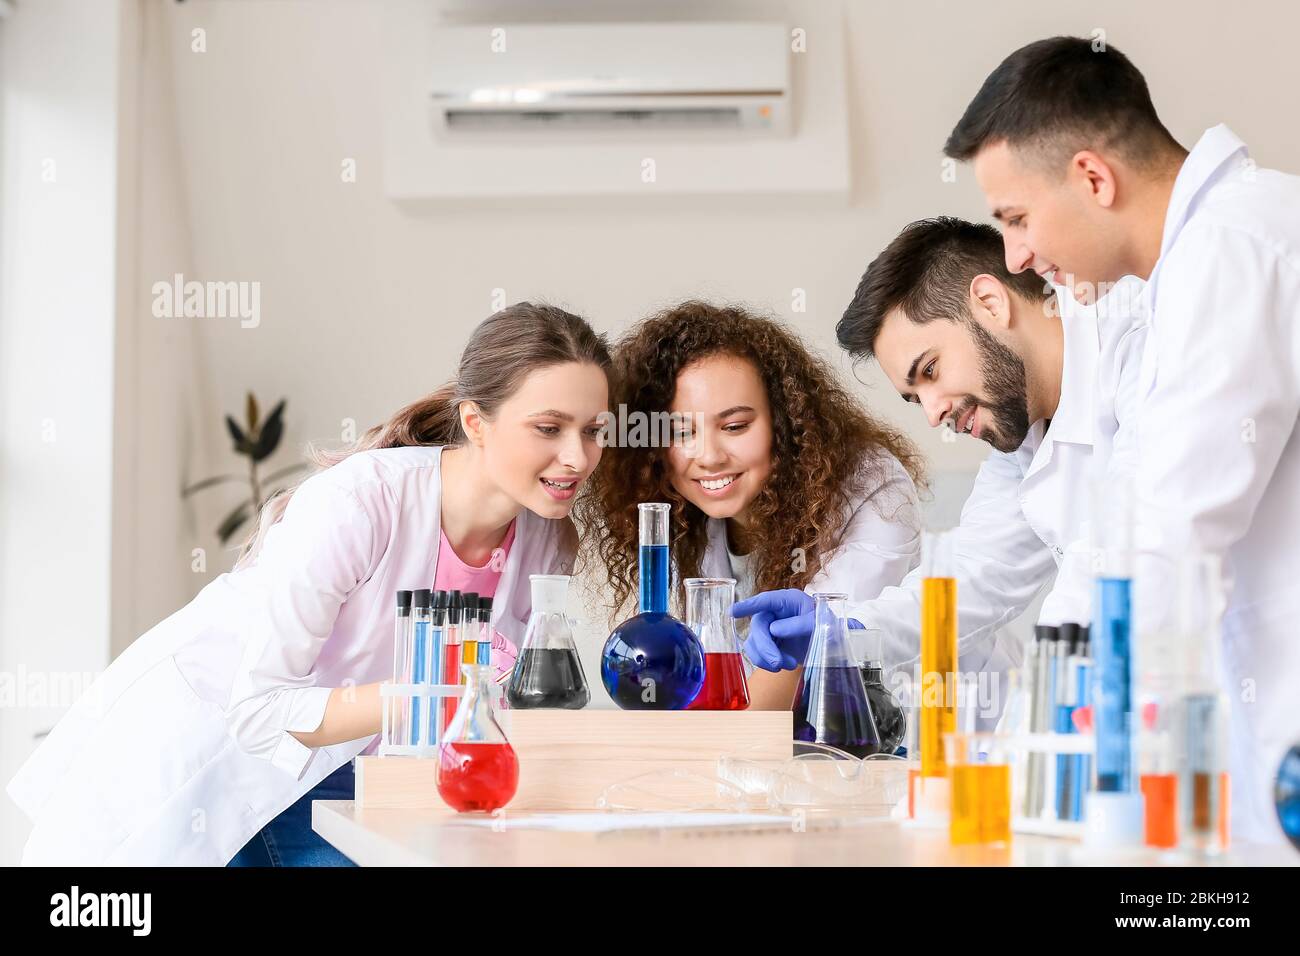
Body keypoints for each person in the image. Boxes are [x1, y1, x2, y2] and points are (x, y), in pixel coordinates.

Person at [6, 303, 612, 865]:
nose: (578, 457)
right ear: (475, 422)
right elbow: (258, 708)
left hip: (359, 773)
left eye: (592, 431)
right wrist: (424, 693)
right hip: (212, 760)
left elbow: (486, 710)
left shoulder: (547, 540)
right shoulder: (361, 501)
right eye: (549, 427)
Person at [943, 35, 1300, 844]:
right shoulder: (1198, 263)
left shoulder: (1231, 248)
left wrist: (1037, 764)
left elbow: (1163, 542)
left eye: (1017, 218)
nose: (1018, 255)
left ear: (1093, 178)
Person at [734, 218, 1146, 730]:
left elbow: (1112, 568)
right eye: (914, 397)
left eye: (929, 370)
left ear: (992, 304)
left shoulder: (1142, 353)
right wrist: (844, 628)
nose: (931, 413)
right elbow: (971, 580)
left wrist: (1024, 741)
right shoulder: (1024, 439)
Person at [584, 300, 924, 709]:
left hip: (922, 738)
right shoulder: (689, 519)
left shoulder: (871, 487)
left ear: (784, 424)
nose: (708, 456)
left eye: (735, 427)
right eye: (681, 431)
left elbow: (778, 689)